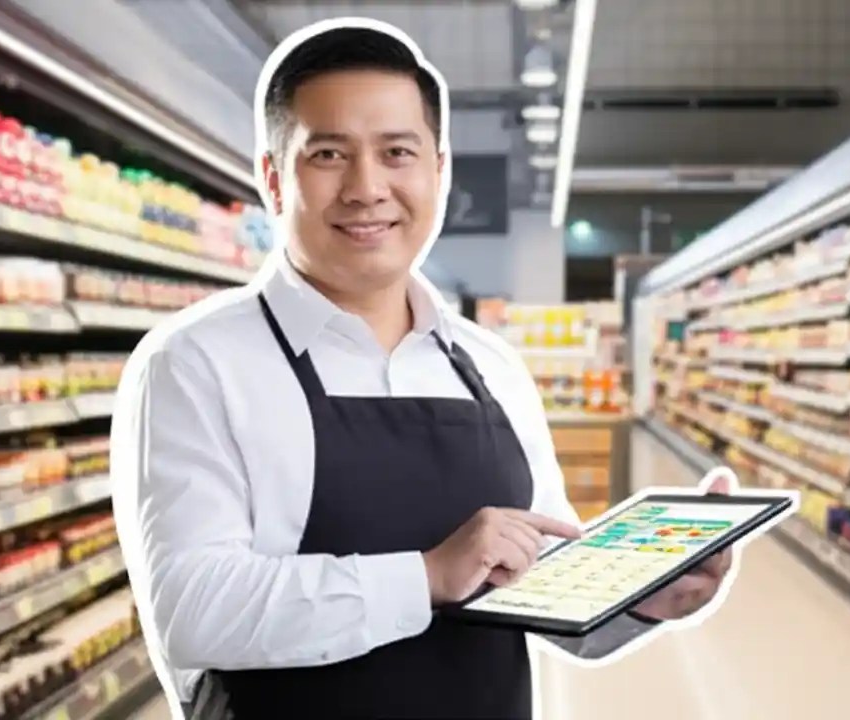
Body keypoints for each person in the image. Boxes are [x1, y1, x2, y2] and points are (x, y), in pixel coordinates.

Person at [110, 18, 737, 720]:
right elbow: (194, 609)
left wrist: (643, 599)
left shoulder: (491, 366)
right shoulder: (198, 362)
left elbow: (546, 586)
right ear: (273, 180)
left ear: (439, 171)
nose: (367, 187)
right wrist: (429, 576)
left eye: (397, 152)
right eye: (328, 154)